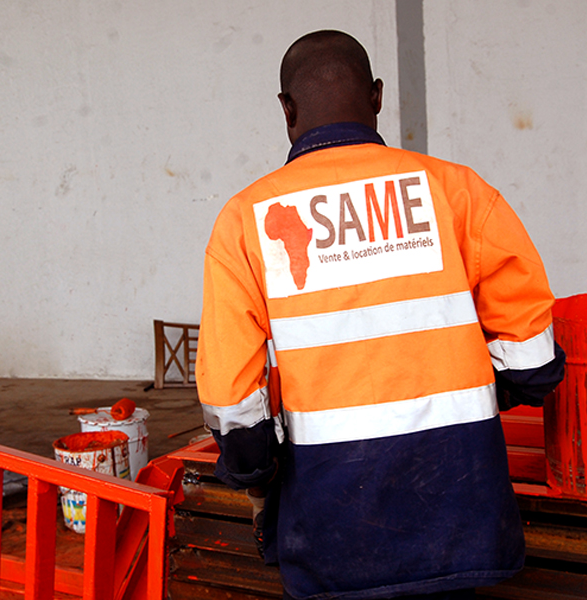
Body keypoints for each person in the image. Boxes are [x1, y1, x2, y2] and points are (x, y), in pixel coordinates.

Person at [196, 30, 565, 600]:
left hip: (332, 527)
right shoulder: (457, 191)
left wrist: (256, 473)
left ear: (286, 109)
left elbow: (232, 402)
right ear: (377, 96)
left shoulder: (245, 219)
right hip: (460, 514)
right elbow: (533, 365)